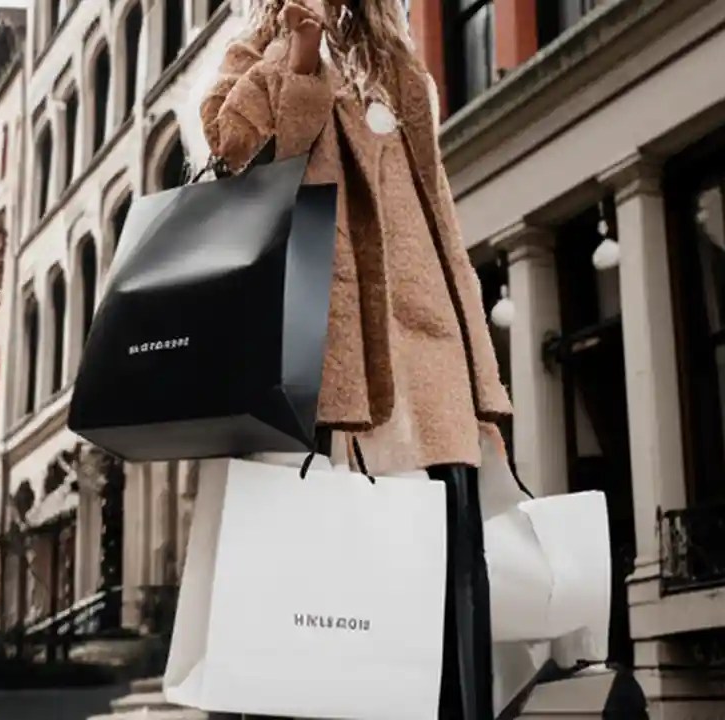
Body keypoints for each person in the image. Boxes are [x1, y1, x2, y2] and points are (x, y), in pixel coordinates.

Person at [201, 0, 515, 717]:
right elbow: (236, 150)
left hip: (428, 358)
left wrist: (476, 373)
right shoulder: (257, 49)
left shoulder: (395, 56)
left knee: (446, 588)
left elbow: (438, 208)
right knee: (323, 600)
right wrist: (300, 51)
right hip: (326, 359)